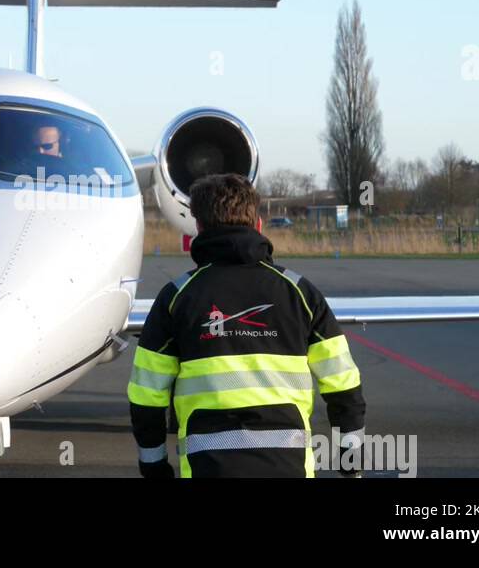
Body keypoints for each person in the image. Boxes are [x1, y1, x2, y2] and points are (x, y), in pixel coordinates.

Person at [128, 173, 365, 478]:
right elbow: (343, 383)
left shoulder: (177, 297)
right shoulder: (298, 292)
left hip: (207, 468)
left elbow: (146, 394)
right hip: (288, 467)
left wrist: (153, 465)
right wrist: (351, 460)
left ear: (198, 227)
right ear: (258, 224)